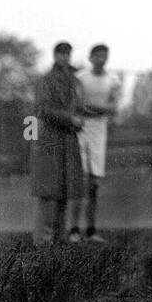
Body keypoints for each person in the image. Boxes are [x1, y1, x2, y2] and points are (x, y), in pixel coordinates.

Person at [30, 43, 85, 246]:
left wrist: (78, 121)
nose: (65, 57)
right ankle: (42, 245)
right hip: (48, 143)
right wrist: (71, 119)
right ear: (55, 56)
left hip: (67, 142)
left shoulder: (74, 82)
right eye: (62, 53)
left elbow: (78, 108)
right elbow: (42, 109)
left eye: (68, 54)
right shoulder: (46, 80)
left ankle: (58, 243)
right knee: (46, 195)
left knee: (64, 192)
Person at [68, 44, 119, 243]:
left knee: (94, 184)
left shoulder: (113, 80)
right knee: (80, 182)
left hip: (100, 132)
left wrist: (94, 108)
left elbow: (112, 107)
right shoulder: (81, 78)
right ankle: (73, 230)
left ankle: (90, 231)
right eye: (97, 56)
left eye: (105, 56)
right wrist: (99, 109)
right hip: (81, 130)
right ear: (91, 58)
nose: (101, 59)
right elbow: (78, 106)